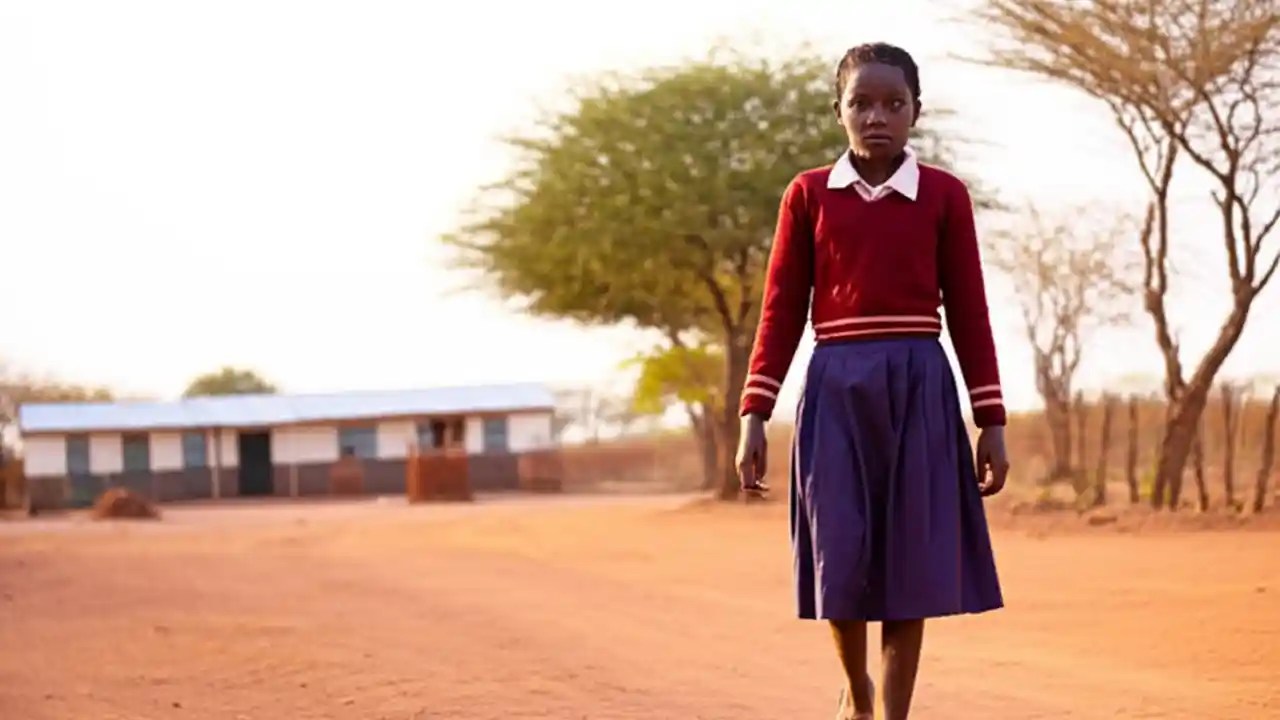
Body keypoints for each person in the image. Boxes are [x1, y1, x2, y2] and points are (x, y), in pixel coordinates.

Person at [735, 42, 1009, 720]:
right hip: (835, 389)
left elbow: (970, 309)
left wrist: (991, 420)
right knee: (841, 553)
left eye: (894, 103)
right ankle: (857, 691)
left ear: (917, 111)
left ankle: (892, 714)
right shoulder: (807, 195)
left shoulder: (944, 195)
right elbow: (780, 308)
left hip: (920, 385)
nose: (877, 116)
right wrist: (754, 413)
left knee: (911, 566)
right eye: (861, 103)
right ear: (838, 111)